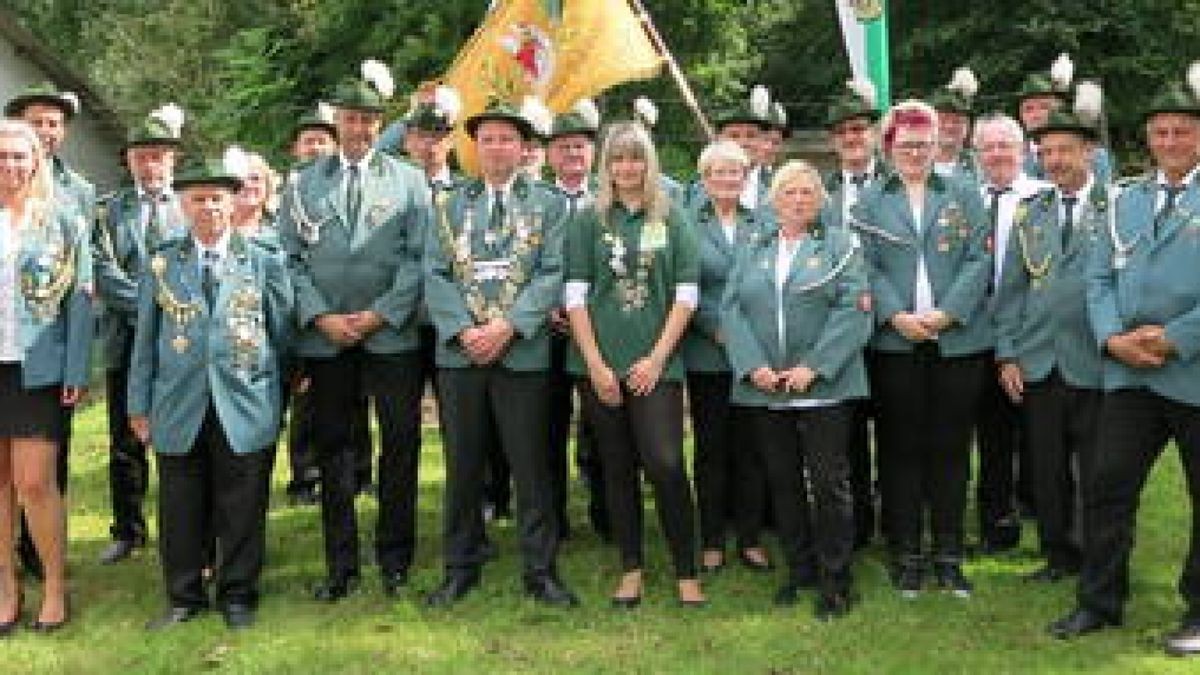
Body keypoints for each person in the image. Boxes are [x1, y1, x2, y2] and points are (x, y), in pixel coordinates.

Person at [1049, 69, 1200, 657]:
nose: (1168, 142)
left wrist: (1173, 339)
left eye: (1181, 131)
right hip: (1129, 374)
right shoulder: (1126, 200)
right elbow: (1097, 278)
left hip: (1190, 371)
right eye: (1159, 133)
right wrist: (1112, 338)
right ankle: (1098, 602)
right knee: (1108, 487)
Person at [278, 60, 429, 601]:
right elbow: (289, 261)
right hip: (328, 338)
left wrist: (381, 313)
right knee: (334, 449)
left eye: (368, 119)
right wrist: (320, 317)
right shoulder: (300, 186)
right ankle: (340, 566)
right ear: (335, 121)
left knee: (401, 444)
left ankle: (395, 558)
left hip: (391, 336)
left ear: (379, 121)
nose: (359, 128)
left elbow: (420, 258)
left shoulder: (409, 181)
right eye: (349, 118)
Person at [423, 96, 577, 608]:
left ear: (524, 147)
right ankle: (460, 566)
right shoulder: (447, 206)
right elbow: (435, 273)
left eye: (506, 139)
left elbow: (552, 271)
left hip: (522, 353)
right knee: (463, 464)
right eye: (486, 139)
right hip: (461, 356)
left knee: (531, 466)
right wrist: (466, 330)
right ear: (475, 147)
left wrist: (509, 326)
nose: (495, 148)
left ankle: (540, 570)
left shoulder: (550, 205)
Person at [132, 155, 292, 631]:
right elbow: (145, 340)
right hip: (178, 403)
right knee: (180, 503)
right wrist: (139, 406)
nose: (208, 208)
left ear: (233, 202)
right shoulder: (161, 263)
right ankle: (184, 596)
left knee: (242, 501)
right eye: (198, 200)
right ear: (183, 206)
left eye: (217, 199)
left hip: (244, 401)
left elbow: (281, 334)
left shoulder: (262, 259)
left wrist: (273, 396)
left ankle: (238, 594)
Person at [722, 159, 871, 618]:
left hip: (824, 387)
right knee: (783, 482)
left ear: (820, 200)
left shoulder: (840, 246)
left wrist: (815, 366)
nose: (799, 199)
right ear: (774, 200)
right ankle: (800, 569)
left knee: (829, 484)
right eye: (789, 192)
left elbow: (856, 308)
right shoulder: (754, 246)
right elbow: (731, 310)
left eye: (808, 192)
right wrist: (752, 367)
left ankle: (836, 579)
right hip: (767, 388)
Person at [565, 120, 705, 607]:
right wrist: (596, 365)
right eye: (618, 159)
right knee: (616, 467)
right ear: (607, 166)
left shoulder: (672, 216)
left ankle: (686, 569)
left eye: (636, 157)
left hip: (656, 364)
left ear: (649, 162)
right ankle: (631, 568)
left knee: (666, 463)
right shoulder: (588, 220)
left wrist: (656, 358)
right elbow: (576, 296)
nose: (627, 167)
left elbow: (687, 294)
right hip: (598, 366)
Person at [855, 100, 991, 598]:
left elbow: (981, 259)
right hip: (895, 342)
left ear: (938, 146)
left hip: (957, 341)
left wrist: (947, 314)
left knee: (952, 449)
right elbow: (864, 265)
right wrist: (896, 315)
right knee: (899, 449)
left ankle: (949, 553)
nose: (916, 152)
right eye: (906, 144)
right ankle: (906, 552)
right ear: (889, 147)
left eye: (925, 144)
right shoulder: (871, 199)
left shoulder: (964, 192)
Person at [994, 90, 1107, 584]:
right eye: (1048, 152)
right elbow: (1011, 293)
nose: (1056, 160)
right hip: (1038, 360)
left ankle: (1096, 554)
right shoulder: (1030, 212)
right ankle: (1057, 555)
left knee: (1099, 471)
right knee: (1047, 466)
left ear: (1089, 152)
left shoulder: (1118, 205)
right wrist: (1007, 354)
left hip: (1096, 359)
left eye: (1066, 150)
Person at [0, 119, 92, 634]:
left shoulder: (62, 219)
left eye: (19, 155)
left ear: (36, 160)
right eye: (1, 156)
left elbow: (82, 299)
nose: (10, 165)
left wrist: (76, 367)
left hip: (36, 368)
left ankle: (54, 585)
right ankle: (6, 585)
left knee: (34, 482)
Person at [92, 104, 189, 565]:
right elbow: (104, 271)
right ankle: (128, 528)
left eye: (159, 156)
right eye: (142, 156)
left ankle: (185, 523)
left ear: (173, 160)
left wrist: (167, 313)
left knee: (179, 427)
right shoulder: (110, 211)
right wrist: (149, 308)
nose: (151, 165)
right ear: (129, 161)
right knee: (124, 438)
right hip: (126, 338)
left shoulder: (190, 207)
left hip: (179, 336)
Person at [680, 139, 769, 573]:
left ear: (747, 176)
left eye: (736, 171)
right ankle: (712, 539)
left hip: (756, 354)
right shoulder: (686, 224)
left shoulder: (764, 222)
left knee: (750, 449)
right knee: (712, 450)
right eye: (719, 172)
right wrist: (717, 329)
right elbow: (682, 286)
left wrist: (747, 338)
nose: (728, 179)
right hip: (708, 353)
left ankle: (750, 538)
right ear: (705, 178)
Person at [972, 113, 1053, 554]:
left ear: (1024, 151)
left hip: (1030, 334)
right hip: (975, 335)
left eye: (1006, 144)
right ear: (977, 153)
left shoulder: (1043, 200)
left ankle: (1049, 516)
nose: (998, 153)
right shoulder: (965, 200)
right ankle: (996, 523)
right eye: (989, 146)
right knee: (992, 435)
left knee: (1040, 433)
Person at [822, 78, 884, 549]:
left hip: (890, 329)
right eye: (842, 131)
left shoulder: (896, 186)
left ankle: (900, 519)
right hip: (836, 332)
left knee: (897, 433)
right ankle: (856, 522)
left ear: (876, 133)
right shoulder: (819, 196)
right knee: (844, 437)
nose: (851, 138)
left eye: (859, 129)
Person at [1016, 53, 1115, 185]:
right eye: (1028, 109)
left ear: (1060, 107)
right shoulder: (1012, 156)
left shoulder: (1094, 154)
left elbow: (1103, 198)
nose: (1036, 115)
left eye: (1044, 107)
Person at [928, 67, 980, 181]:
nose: (949, 126)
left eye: (957, 121)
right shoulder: (912, 165)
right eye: (943, 120)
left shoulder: (984, 165)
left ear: (968, 125)